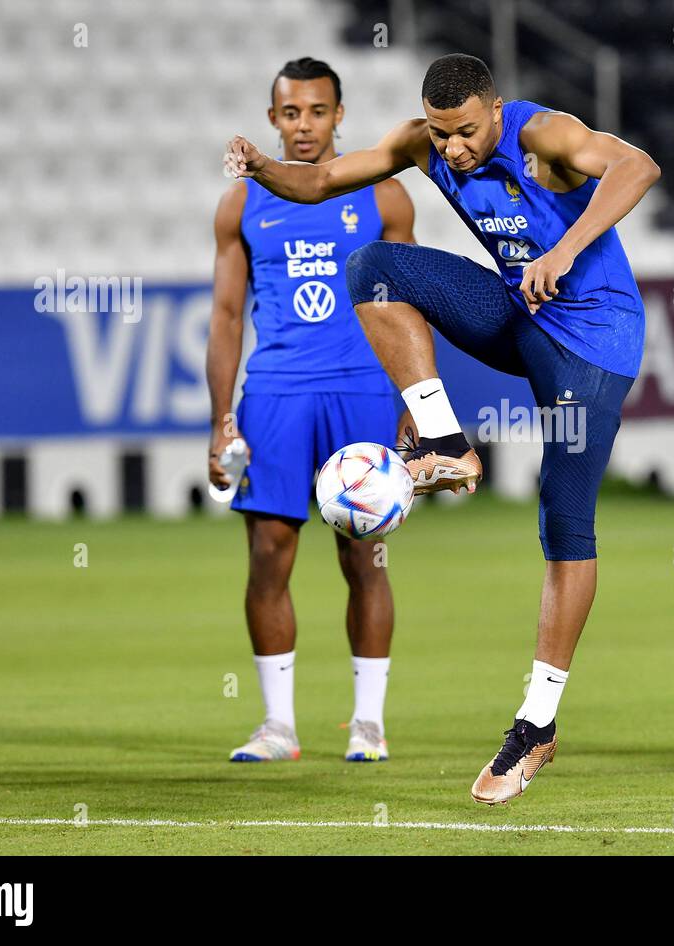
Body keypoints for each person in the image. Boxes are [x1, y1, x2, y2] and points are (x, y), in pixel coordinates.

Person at [224, 53, 660, 804]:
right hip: (521, 312)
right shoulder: (424, 143)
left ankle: (538, 722)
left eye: (464, 132)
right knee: (373, 268)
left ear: (496, 109)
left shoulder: (545, 135)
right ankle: (445, 440)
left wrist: (564, 249)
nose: (451, 149)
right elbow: (324, 180)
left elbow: (638, 166)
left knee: (564, 521)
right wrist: (263, 168)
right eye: (439, 133)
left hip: (593, 341)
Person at [207, 58, 415, 765]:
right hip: (275, 392)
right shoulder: (241, 203)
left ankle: (368, 724)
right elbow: (228, 316)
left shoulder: (383, 198)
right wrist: (220, 420)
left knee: (365, 555)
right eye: (290, 113)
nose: (304, 126)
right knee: (268, 554)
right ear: (273, 120)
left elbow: (409, 305)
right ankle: (278, 727)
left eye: (317, 112)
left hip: (360, 386)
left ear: (339, 115)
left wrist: (420, 400)